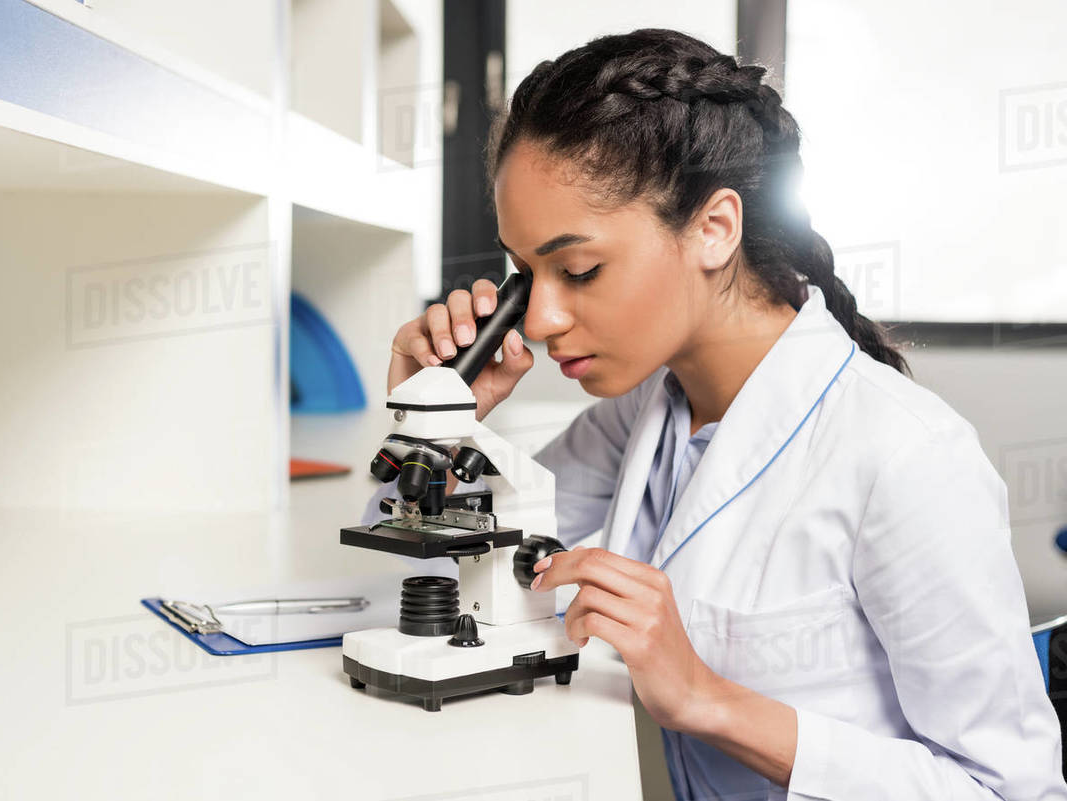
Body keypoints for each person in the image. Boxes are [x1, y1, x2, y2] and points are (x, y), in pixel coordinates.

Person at [370, 29, 1066, 800]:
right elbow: (443, 572)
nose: (536, 320)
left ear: (714, 228)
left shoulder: (908, 456)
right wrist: (439, 420)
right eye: (524, 275)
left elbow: (1013, 791)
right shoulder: (648, 408)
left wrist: (708, 698)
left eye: (577, 269)